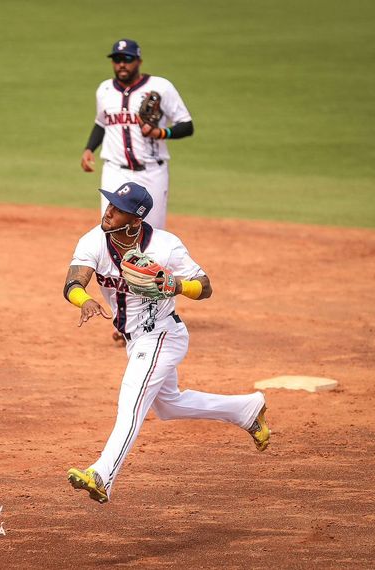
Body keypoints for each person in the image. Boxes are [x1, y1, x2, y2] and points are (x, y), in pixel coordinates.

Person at [62, 182, 269, 504]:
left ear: (135, 220)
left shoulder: (166, 246)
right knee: (169, 405)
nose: (109, 211)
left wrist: (178, 286)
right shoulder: (94, 240)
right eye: (110, 204)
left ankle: (102, 474)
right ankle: (246, 410)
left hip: (162, 335)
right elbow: (73, 282)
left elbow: (205, 286)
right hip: (134, 341)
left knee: (131, 402)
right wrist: (84, 300)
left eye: (118, 209)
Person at [80, 39, 194, 230]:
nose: (121, 64)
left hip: (151, 172)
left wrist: (161, 132)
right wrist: (89, 148)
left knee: (151, 231)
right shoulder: (104, 90)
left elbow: (187, 125)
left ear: (139, 61)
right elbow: (101, 123)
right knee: (110, 228)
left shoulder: (161, 87)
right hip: (115, 172)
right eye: (117, 59)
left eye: (127, 59)